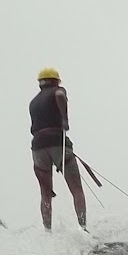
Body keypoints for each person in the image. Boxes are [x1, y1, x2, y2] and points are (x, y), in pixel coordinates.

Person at [29, 67, 87, 230]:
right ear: (56, 81)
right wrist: (65, 119)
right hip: (57, 143)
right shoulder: (58, 90)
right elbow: (60, 96)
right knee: (76, 188)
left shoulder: (33, 102)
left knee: (45, 194)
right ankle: (83, 226)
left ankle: (47, 230)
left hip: (38, 147)